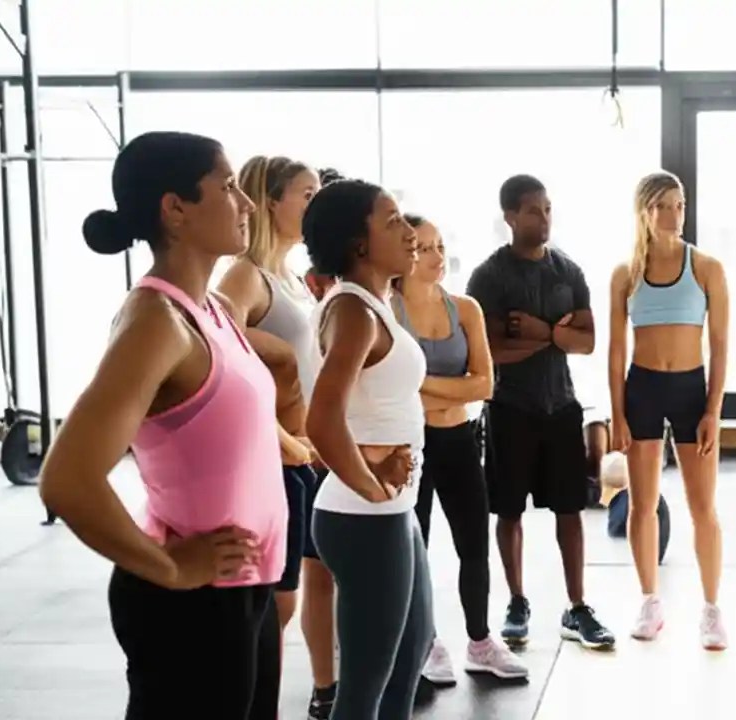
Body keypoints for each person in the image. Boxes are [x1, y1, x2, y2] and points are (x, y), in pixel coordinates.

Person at [37, 131, 285, 718]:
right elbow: (67, 479)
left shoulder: (213, 309)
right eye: (227, 188)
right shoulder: (157, 322)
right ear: (175, 209)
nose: (246, 203)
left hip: (244, 589)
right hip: (194, 605)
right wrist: (171, 566)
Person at [301, 178, 435, 720]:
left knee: (408, 660)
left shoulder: (370, 304)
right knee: (363, 691)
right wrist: (370, 481)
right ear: (360, 243)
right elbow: (322, 418)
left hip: (389, 512)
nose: (410, 233)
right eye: (393, 221)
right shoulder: (353, 310)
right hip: (364, 516)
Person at [465, 174, 616, 650]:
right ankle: (517, 600)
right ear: (510, 216)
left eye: (548, 208)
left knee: (570, 509)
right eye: (534, 210)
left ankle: (577, 607)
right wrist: (554, 336)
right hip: (510, 409)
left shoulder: (568, 272)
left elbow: (588, 342)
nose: (544, 218)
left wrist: (536, 332)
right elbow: (489, 352)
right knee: (509, 511)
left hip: (562, 407)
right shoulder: (488, 276)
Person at [217, 155, 339, 718]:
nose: (315, 206)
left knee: (305, 593)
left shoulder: (291, 275)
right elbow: (219, 358)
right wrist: (284, 440)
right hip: (277, 461)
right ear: (272, 201)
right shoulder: (245, 276)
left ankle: (322, 688)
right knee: (274, 609)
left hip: (308, 456)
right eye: (307, 195)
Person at [394, 214, 528, 682]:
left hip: (459, 439)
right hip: (411, 442)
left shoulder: (465, 308)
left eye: (438, 245)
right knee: (417, 548)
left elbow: (485, 384)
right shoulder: (387, 310)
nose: (435, 256)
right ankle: (425, 643)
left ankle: (480, 642)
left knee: (473, 543)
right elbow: (391, 389)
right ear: (404, 255)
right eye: (424, 248)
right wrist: (451, 385)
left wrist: (420, 383)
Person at [607, 169, 730, 649]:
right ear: (644, 211)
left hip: (690, 391)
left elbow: (719, 344)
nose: (673, 215)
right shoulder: (625, 274)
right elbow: (616, 351)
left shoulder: (706, 268)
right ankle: (650, 601)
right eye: (662, 205)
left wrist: (713, 411)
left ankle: (712, 609)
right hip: (642, 388)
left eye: (679, 204)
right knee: (642, 504)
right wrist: (617, 413)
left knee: (703, 508)